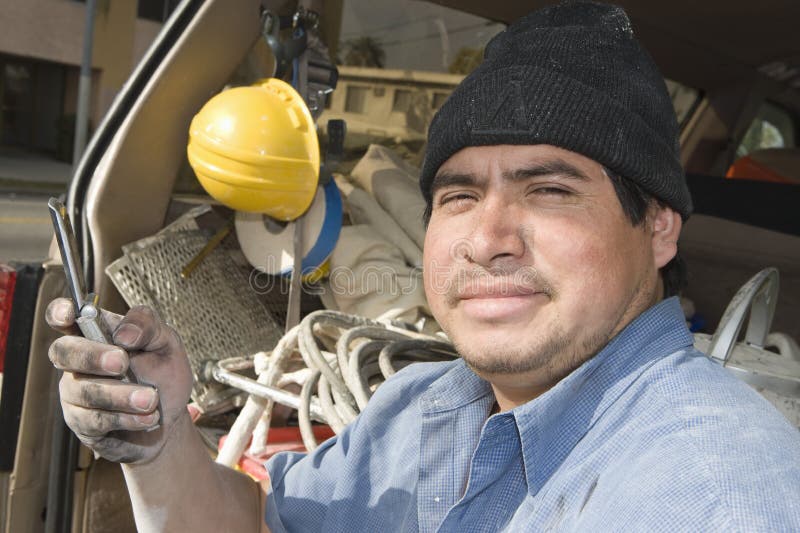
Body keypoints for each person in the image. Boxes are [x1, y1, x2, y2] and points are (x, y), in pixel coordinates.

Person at [46, 2, 800, 531]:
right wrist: (162, 440)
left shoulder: (715, 493)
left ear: (659, 227)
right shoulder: (422, 409)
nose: (487, 238)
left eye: (549, 190)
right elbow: (257, 523)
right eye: (460, 194)